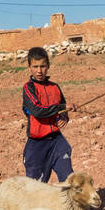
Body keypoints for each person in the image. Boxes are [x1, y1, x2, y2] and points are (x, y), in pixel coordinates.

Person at [21, 47, 77, 182]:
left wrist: (65, 116)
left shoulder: (55, 87)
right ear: (29, 67)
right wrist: (62, 107)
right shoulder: (28, 88)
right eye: (35, 66)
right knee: (36, 187)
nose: (39, 71)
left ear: (48, 66)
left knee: (69, 181)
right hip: (37, 144)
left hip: (57, 141)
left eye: (43, 66)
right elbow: (37, 110)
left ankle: (70, 203)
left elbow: (62, 109)